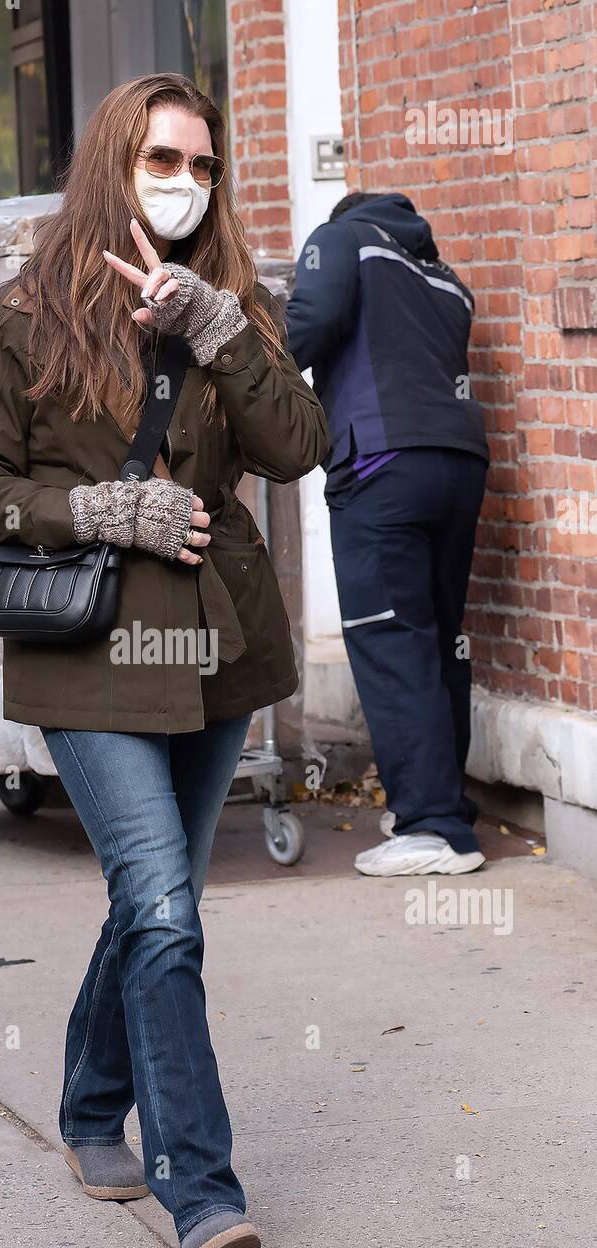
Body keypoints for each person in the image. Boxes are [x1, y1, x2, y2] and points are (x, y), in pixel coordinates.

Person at [0, 74, 328, 1248]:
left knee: (156, 908)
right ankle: (201, 1190)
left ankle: (86, 1103)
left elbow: (300, 444)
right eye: (164, 159)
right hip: (92, 655)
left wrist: (218, 329)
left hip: (214, 648)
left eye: (203, 166)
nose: (184, 183)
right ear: (114, 162)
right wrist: (99, 509)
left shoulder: (232, 304)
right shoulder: (20, 313)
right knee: (161, 904)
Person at [286, 191, 489, 877]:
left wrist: (230, 364)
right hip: (459, 463)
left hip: (382, 465)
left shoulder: (342, 239)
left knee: (388, 636)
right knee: (434, 638)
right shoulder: (445, 278)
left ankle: (433, 828)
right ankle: (438, 809)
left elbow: (307, 322)